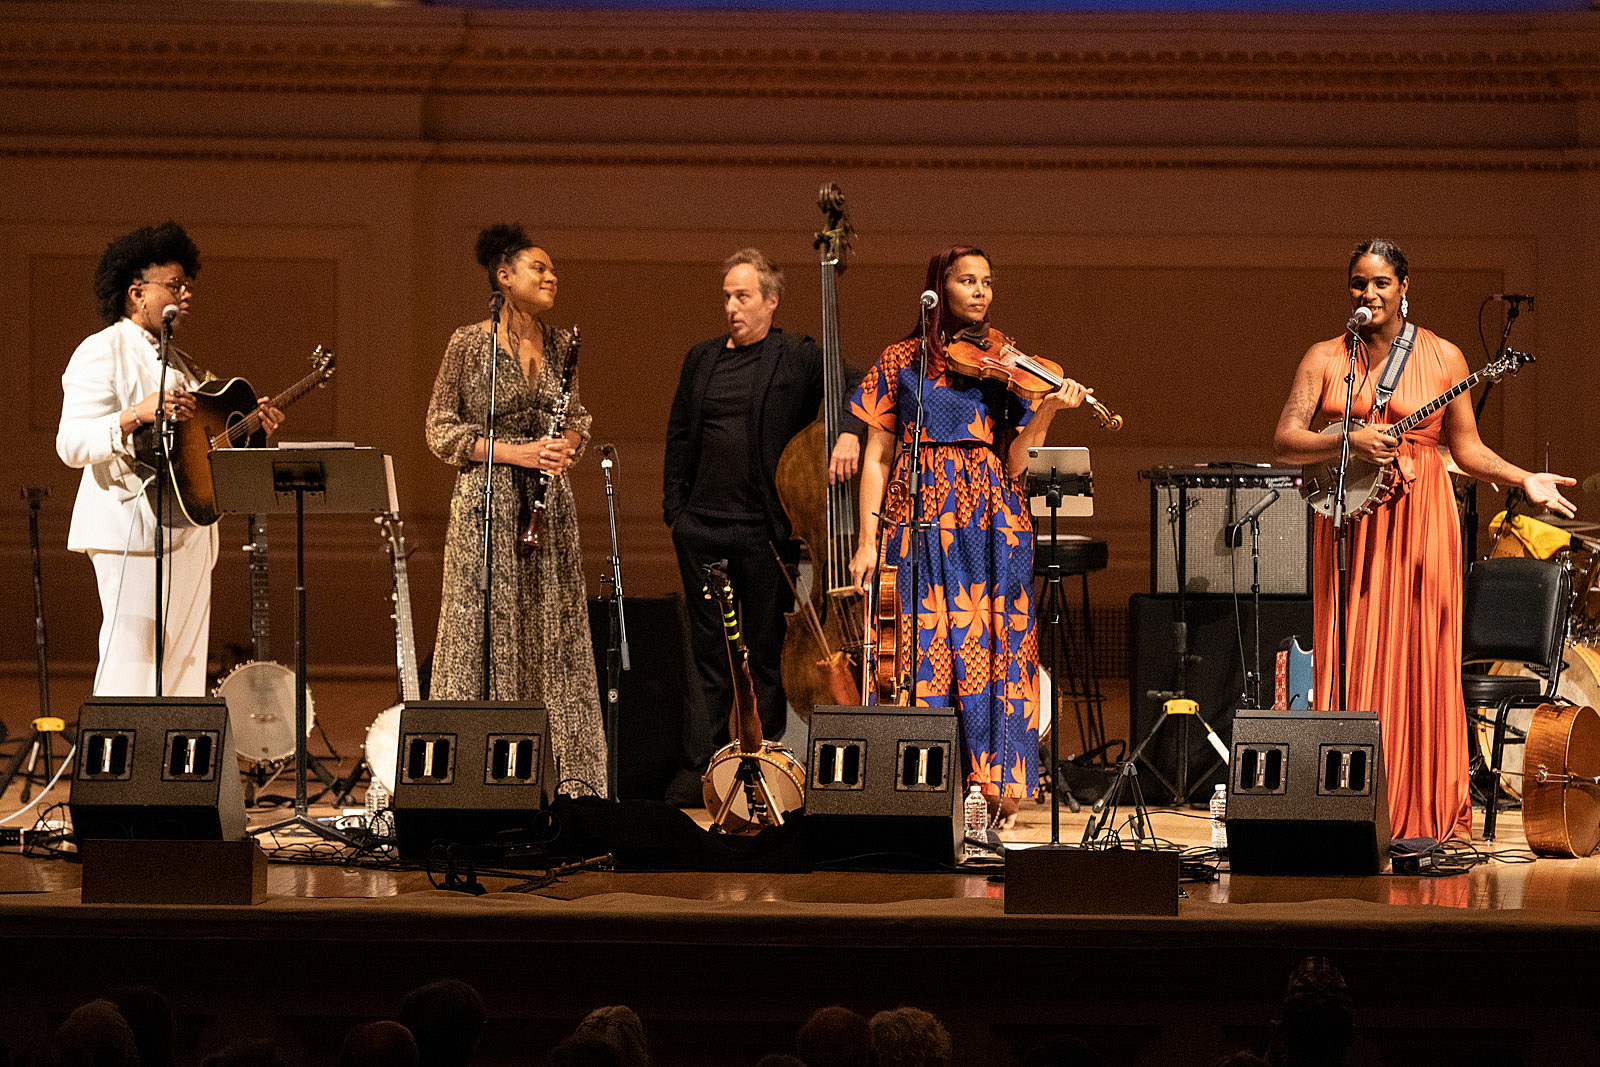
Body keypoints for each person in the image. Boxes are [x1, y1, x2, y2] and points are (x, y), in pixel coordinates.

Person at [1273, 238, 1576, 842]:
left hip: (1422, 520)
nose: (1369, 294)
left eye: (1381, 282)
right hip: (1349, 525)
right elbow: (1284, 441)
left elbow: (1468, 449)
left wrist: (1522, 479)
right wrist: (1349, 439)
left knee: (1419, 656)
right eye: (1359, 283)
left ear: (1404, 287)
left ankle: (1419, 810)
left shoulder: (1443, 356)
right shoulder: (1325, 356)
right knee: (1351, 651)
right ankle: (1348, 805)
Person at [848, 247, 1087, 821]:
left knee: (991, 645)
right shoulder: (899, 361)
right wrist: (866, 540)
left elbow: (1018, 463)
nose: (980, 291)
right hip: (916, 513)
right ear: (939, 287)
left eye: (987, 282)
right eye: (967, 280)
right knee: (917, 644)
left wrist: (1048, 410)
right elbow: (876, 458)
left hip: (990, 519)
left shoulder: (1006, 364)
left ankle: (990, 788)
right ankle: (921, 783)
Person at [662, 248, 863, 805]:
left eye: (743, 296)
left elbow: (857, 382)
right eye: (727, 296)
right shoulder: (701, 359)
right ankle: (705, 765)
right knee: (709, 652)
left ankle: (765, 759)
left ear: (771, 301)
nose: (731, 306)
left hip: (763, 532)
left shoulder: (795, 355)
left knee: (764, 651)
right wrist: (676, 513)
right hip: (700, 529)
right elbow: (680, 435)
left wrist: (849, 431)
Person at [56, 222, 283, 696]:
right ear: (137, 293)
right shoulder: (101, 351)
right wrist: (134, 414)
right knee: (133, 665)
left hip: (190, 529)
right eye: (175, 285)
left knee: (184, 668)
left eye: (188, 285)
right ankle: (120, 746)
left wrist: (251, 427)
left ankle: (175, 749)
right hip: (130, 529)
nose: (186, 294)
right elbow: (71, 444)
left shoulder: (182, 364)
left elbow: (202, 447)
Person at [425, 224, 607, 796]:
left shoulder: (562, 344)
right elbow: (439, 429)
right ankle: (468, 783)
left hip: (547, 510)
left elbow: (577, 419)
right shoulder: (467, 343)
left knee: (553, 631)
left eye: (553, 270)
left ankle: (565, 784)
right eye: (539, 268)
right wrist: (517, 453)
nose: (552, 277)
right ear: (504, 276)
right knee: (479, 628)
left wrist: (564, 448)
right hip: (487, 505)